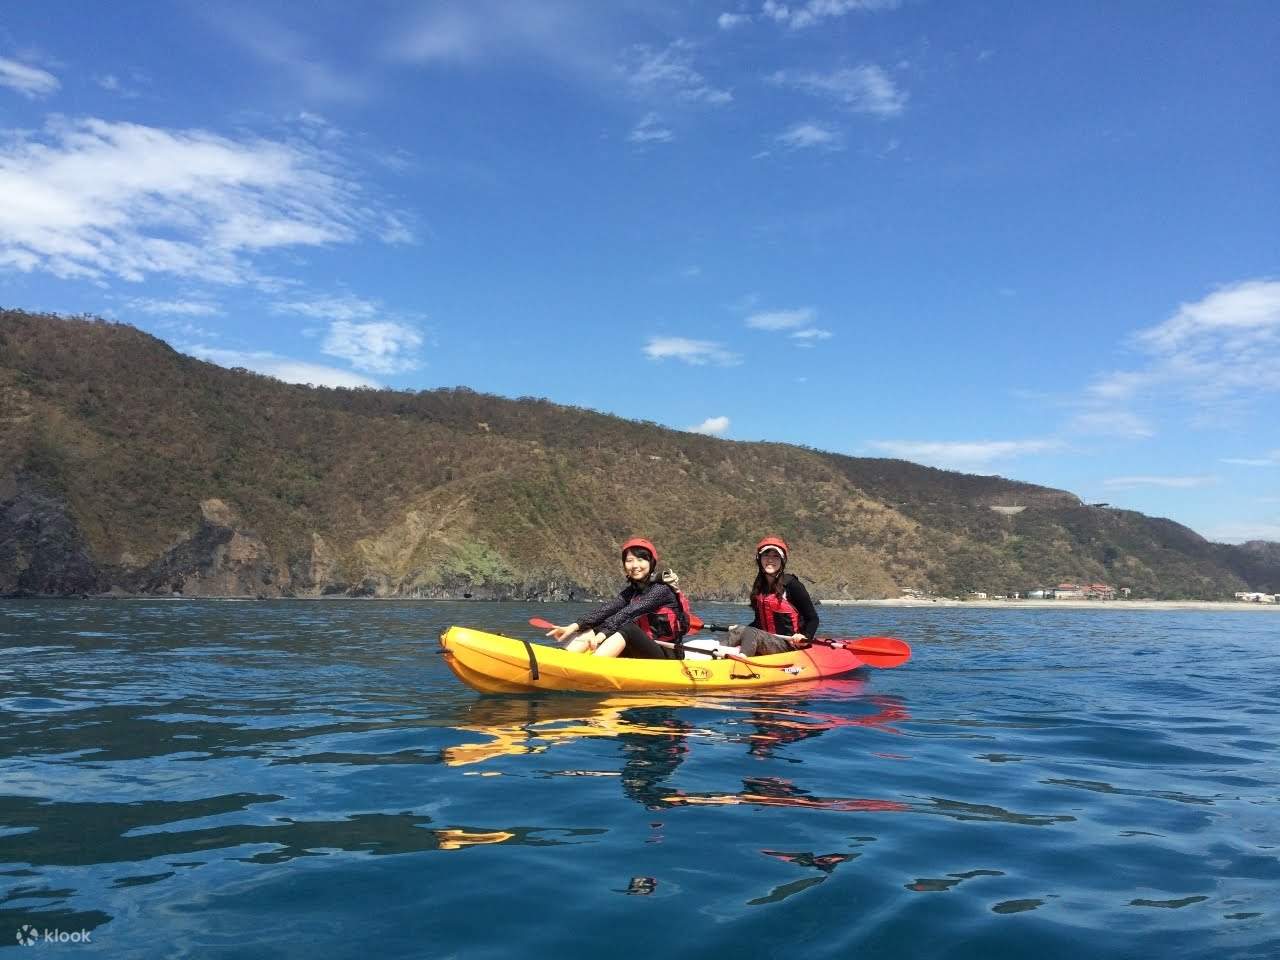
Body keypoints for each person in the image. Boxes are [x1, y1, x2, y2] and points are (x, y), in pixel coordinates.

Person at [545, 538, 691, 659]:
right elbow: (607, 609)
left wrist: (602, 636)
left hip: (667, 655)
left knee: (627, 626)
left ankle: (592, 667)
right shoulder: (633, 590)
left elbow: (630, 611)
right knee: (596, 624)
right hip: (639, 649)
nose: (635, 565)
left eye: (640, 560)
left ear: (651, 563)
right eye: (629, 561)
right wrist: (573, 627)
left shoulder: (661, 590)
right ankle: (564, 658)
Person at [723, 536, 819, 656]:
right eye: (766, 555)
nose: (770, 560)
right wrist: (740, 629)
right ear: (759, 559)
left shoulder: (793, 585)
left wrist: (805, 636)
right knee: (738, 630)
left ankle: (741, 661)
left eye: (775, 556)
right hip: (767, 641)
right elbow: (759, 623)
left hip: (789, 646)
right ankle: (714, 653)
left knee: (750, 632)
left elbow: (813, 619)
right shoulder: (760, 587)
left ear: (782, 561)